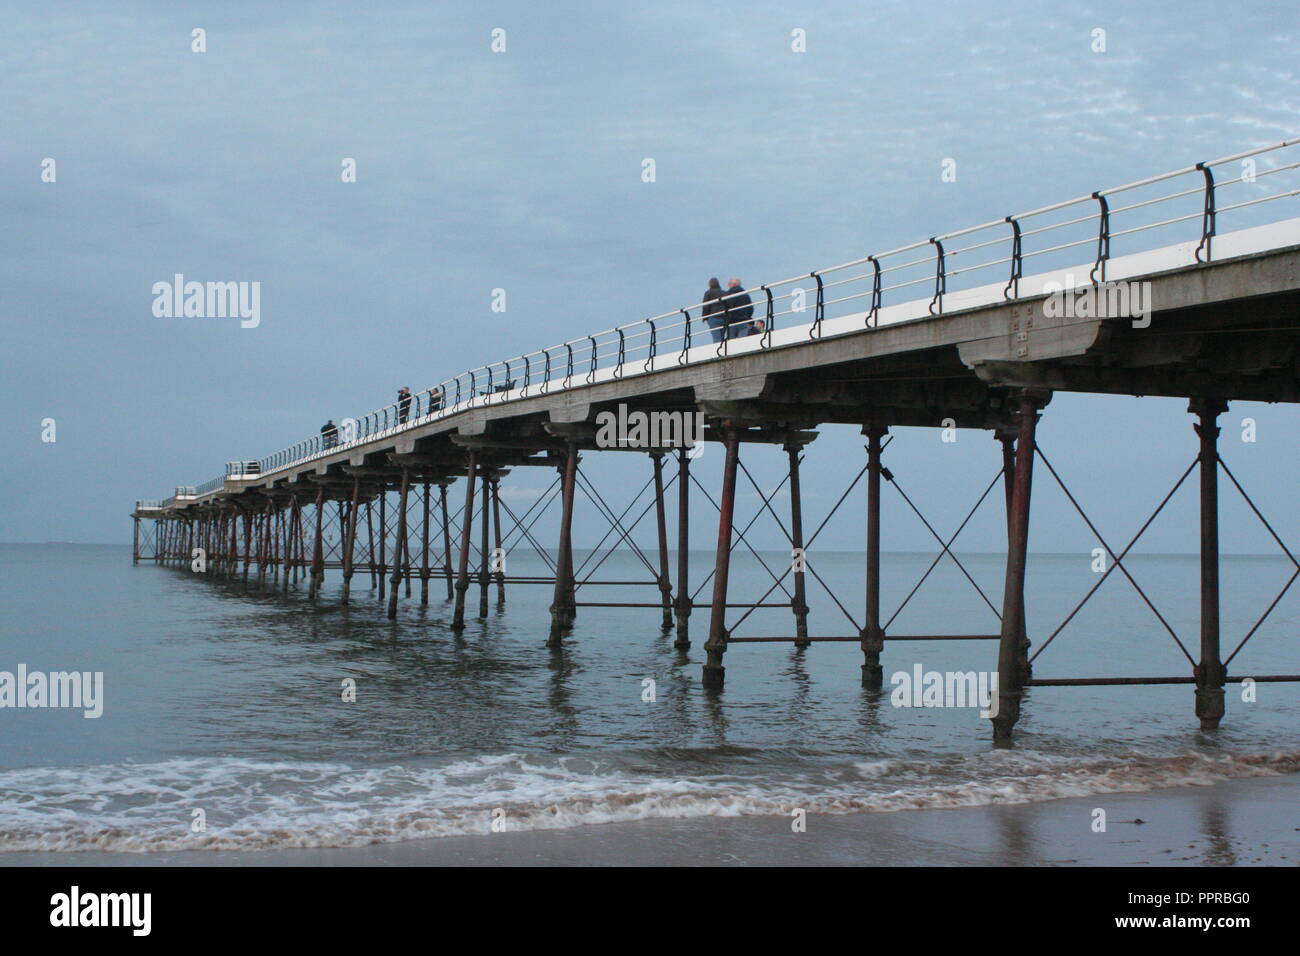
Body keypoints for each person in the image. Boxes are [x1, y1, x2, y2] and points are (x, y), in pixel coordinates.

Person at [701, 277, 726, 343]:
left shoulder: (708, 293)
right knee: (722, 336)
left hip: (713, 317)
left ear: (710, 285)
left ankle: (718, 349)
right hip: (724, 317)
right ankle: (722, 347)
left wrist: (704, 317)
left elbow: (706, 306)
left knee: (716, 337)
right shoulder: (724, 293)